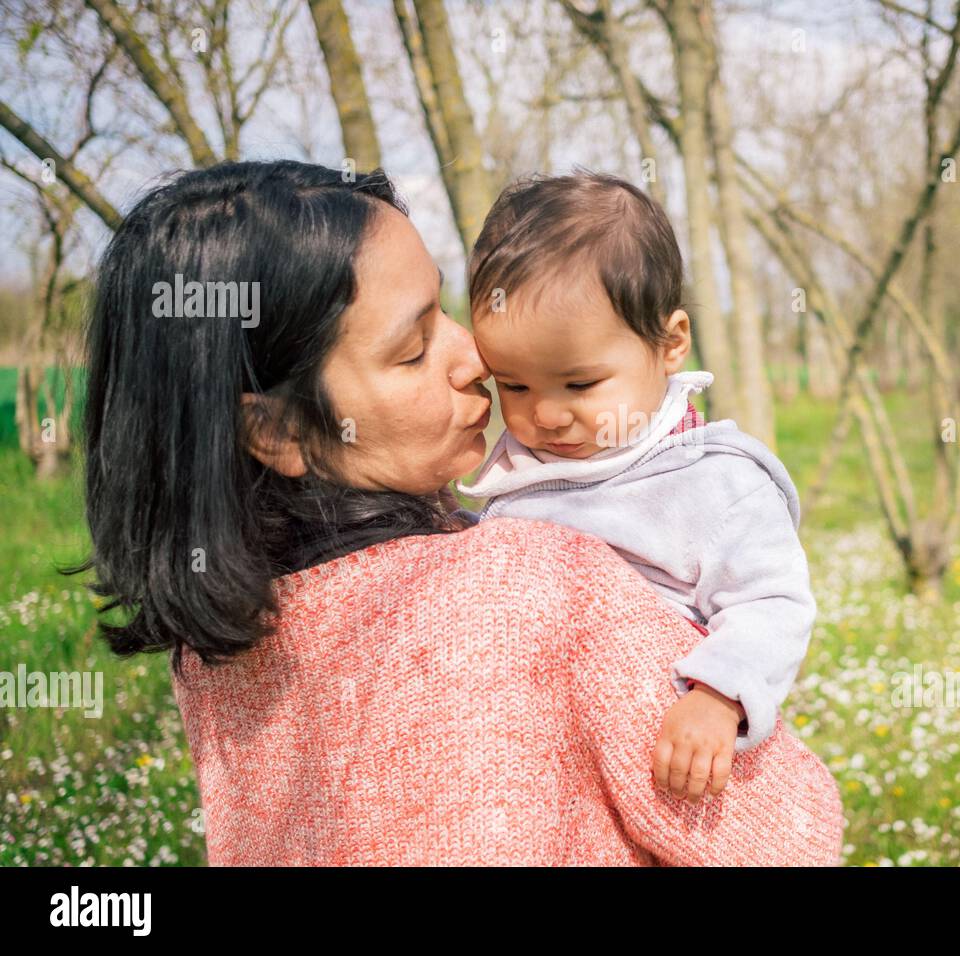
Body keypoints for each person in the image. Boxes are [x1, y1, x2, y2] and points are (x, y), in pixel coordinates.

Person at [71, 158, 844, 866]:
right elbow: (788, 837)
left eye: (446, 311)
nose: (476, 358)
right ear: (277, 430)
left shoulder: (218, 646)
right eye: (412, 350)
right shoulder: (528, 577)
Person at [457, 172, 816, 802]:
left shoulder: (711, 480)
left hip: (662, 761)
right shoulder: (521, 471)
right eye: (513, 385)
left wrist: (718, 695)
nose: (544, 415)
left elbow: (773, 604)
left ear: (670, 342)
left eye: (580, 384)